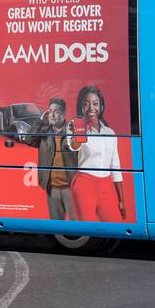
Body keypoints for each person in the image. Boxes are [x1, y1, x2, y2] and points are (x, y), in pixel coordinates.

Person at [66, 85, 127, 222]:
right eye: (85, 104)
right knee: (86, 227)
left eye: (95, 103)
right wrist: (78, 132)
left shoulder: (110, 132)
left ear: (101, 106)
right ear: (81, 107)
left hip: (106, 186)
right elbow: (73, 147)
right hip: (84, 183)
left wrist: (121, 201)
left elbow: (115, 167)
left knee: (115, 226)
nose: (91, 108)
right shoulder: (74, 126)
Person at [36, 98, 77, 220]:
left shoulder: (72, 131)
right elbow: (29, 140)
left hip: (71, 189)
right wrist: (40, 121)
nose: (52, 115)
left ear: (63, 114)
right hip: (52, 188)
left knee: (78, 222)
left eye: (56, 111)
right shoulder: (44, 132)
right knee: (56, 223)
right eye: (50, 111)